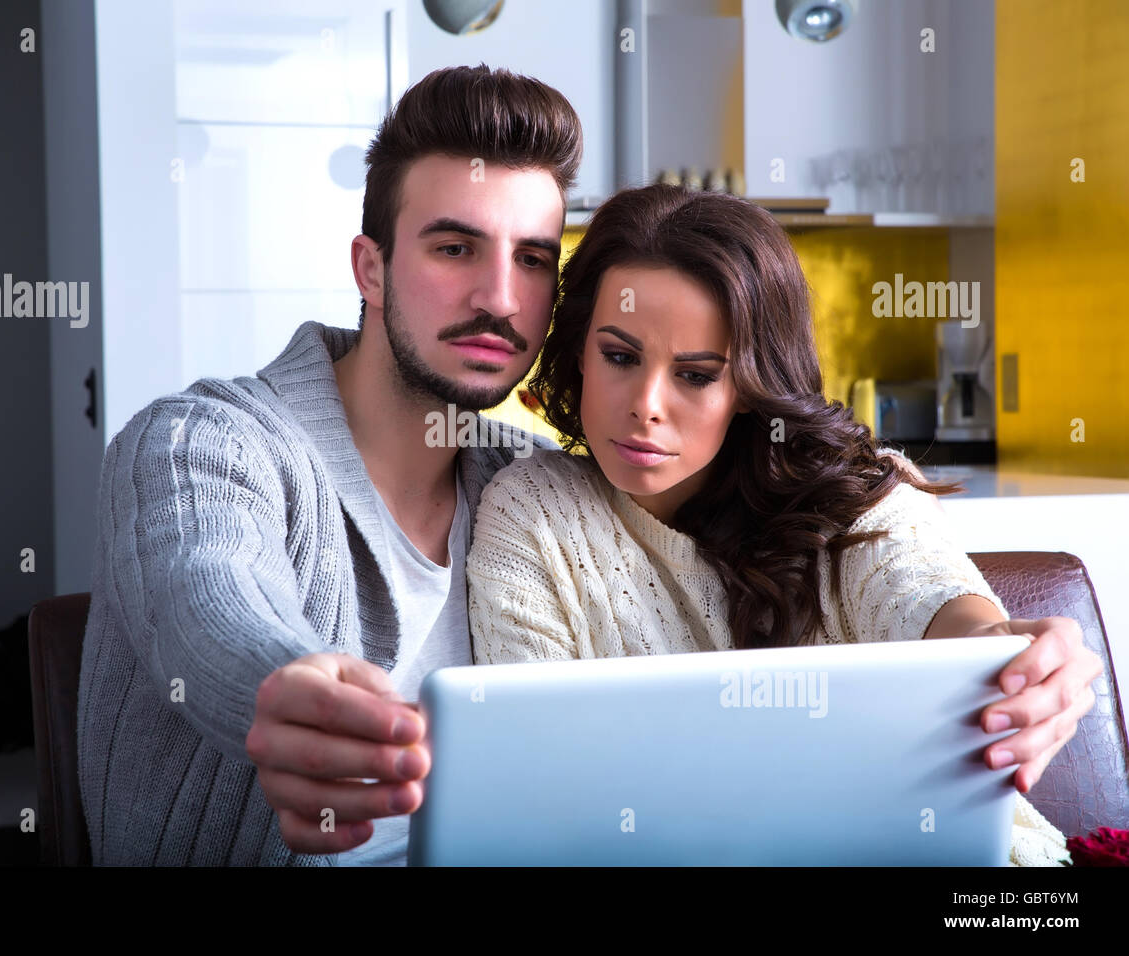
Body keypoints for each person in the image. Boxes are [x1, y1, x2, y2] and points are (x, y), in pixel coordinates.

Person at [465, 185, 1103, 866]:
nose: (646, 405)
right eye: (620, 357)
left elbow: (922, 590)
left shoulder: (855, 496)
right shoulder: (530, 512)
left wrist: (1002, 651)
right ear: (579, 354)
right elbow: (536, 786)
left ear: (749, 388)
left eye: (696, 375)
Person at [76, 64, 583, 865]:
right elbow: (205, 588)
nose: (500, 297)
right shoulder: (196, 441)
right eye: (456, 247)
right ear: (370, 269)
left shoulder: (537, 487)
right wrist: (284, 686)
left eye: (533, 260)